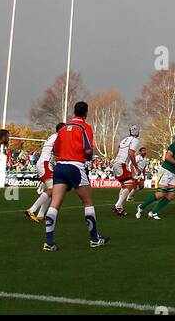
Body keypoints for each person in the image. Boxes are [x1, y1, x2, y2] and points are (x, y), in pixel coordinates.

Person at [42, 101, 109, 251]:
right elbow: (88, 150)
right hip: (76, 167)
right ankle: (94, 239)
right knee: (88, 202)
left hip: (60, 167)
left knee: (55, 204)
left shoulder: (64, 127)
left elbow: (56, 150)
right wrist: (87, 157)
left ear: (74, 111)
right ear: (86, 112)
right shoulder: (85, 127)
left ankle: (49, 242)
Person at [138, 131, 175, 220]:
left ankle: (153, 212)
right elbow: (167, 157)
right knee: (161, 194)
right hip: (166, 171)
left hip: (171, 173)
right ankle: (141, 206)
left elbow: (174, 160)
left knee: (171, 195)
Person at [26, 122, 64, 223]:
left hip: (45, 164)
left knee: (52, 190)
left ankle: (41, 215)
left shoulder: (53, 136)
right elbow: (56, 152)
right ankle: (32, 210)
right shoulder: (58, 138)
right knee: (53, 189)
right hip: (46, 164)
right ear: (61, 130)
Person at [111, 125, 142, 216]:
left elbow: (117, 151)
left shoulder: (124, 140)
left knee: (124, 186)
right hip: (122, 164)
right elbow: (131, 153)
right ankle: (118, 205)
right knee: (130, 184)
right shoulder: (135, 140)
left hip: (116, 163)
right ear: (137, 132)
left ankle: (119, 207)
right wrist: (136, 167)